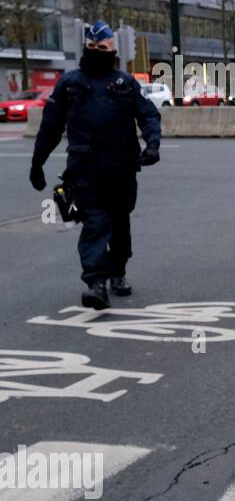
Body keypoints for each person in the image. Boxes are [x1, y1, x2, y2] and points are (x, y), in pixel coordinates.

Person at [29, 21, 161, 309]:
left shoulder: (125, 83)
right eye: (92, 47)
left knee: (120, 224)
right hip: (85, 169)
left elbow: (149, 116)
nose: (96, 51)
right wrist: (37, 163)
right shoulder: (70, 84)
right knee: (96, 224)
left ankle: (118, 271)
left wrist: (152, 145)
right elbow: (50, 127)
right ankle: (96, 283)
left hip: (121, 168)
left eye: (102, 48)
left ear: (112, 50)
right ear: (85, 48)